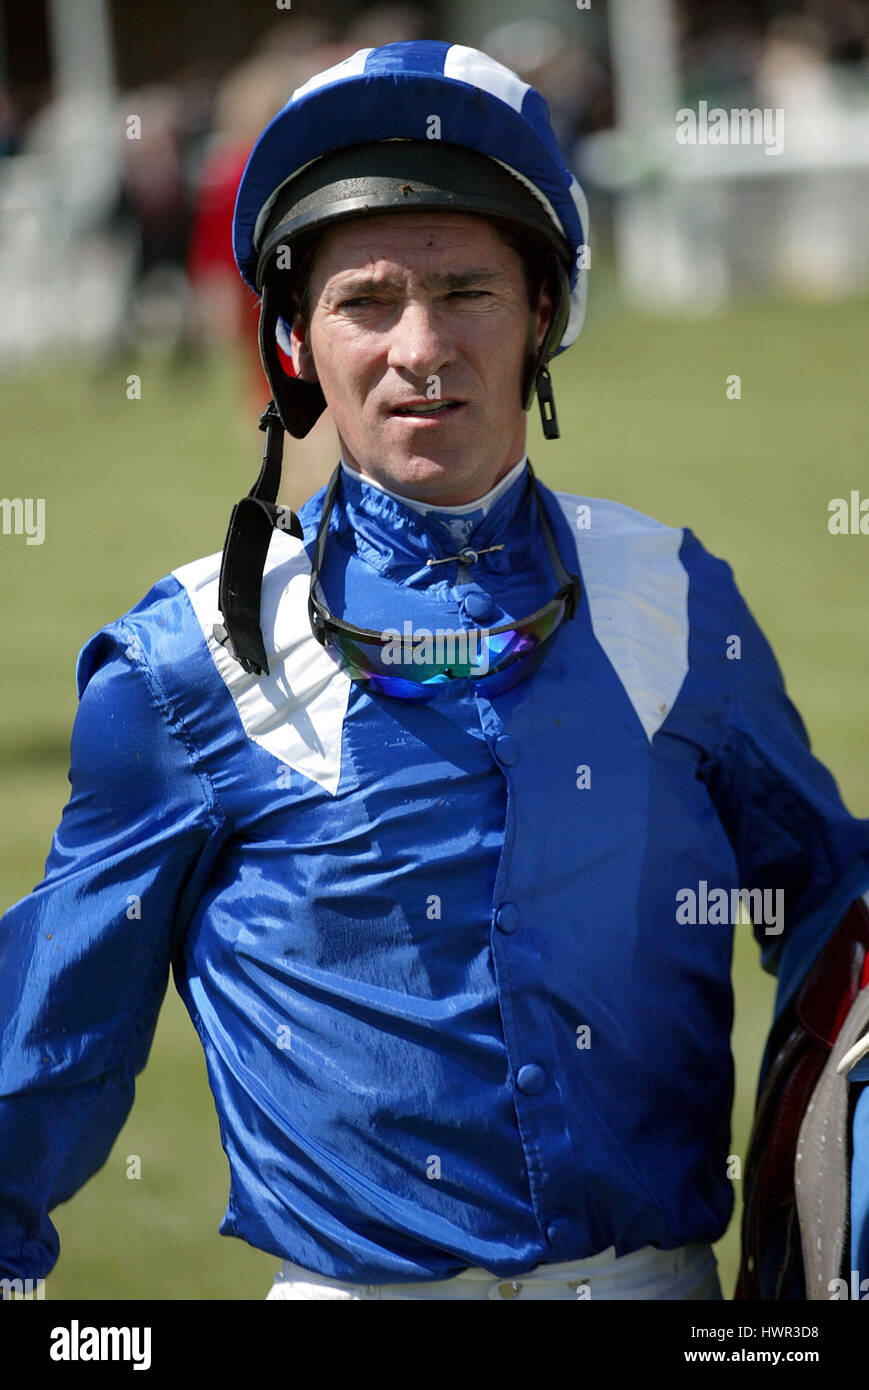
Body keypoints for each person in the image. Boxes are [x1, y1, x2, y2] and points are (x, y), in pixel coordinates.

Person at [1, 40, 868, 1303]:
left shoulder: (677, 600)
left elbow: (825, 899)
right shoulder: (181, 659)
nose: (419, 347)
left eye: (466, 290)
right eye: (364, 301)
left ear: (542, 317)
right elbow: (48, 1041)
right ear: (295, 342)